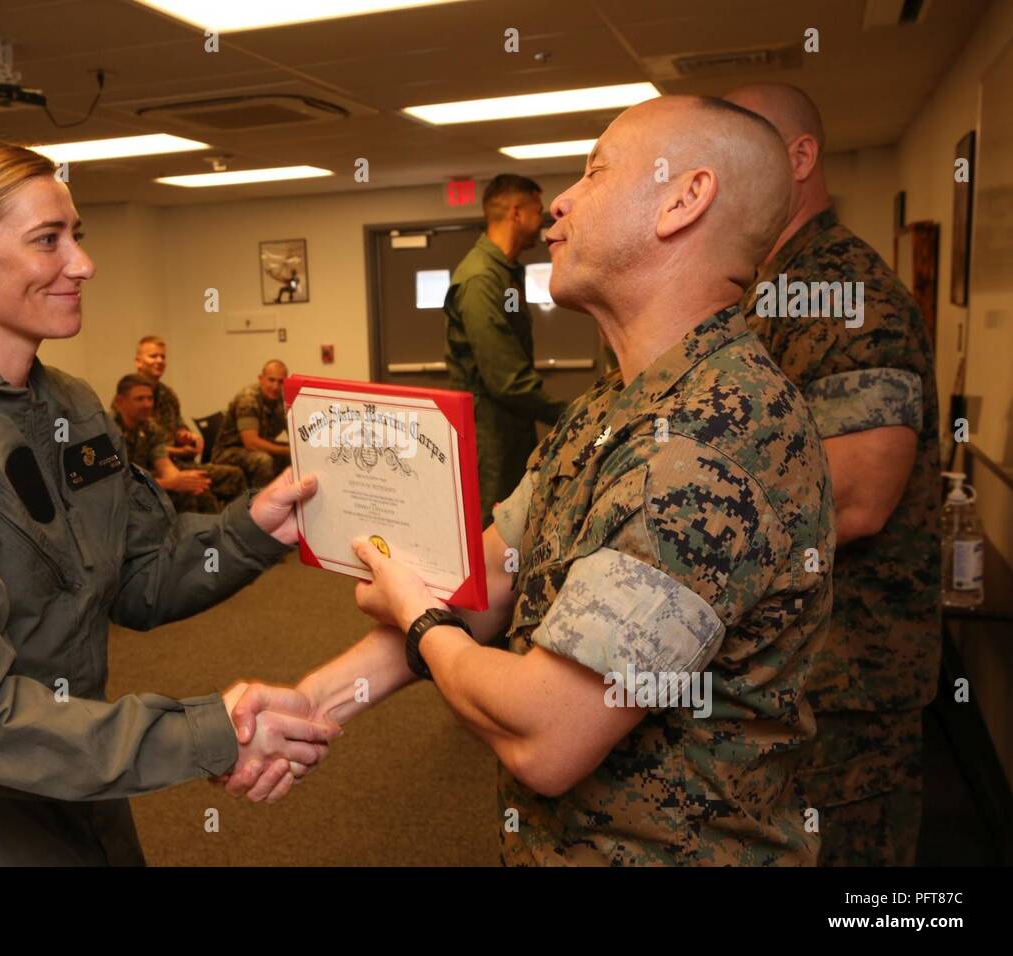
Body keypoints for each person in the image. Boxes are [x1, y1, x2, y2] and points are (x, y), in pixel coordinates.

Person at [228, 96, 835, 867]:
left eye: (596, 171)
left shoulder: (713, 441)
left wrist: (416, 614)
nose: (562, 204)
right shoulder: (609, 409)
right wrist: (315, 702)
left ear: (685, 199)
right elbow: (476, 586)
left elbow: (547, 735)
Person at [0, 135, 340, 866]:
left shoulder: (72, 407)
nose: (81, 263)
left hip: (78, 784)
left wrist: (254, 529)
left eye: (75, 236)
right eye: (47, 240)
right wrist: (206, 733)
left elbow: (139, 577)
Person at [726, 82, 942, 867]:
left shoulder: (849, 296)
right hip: (789, 676)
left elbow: (855, 502)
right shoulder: (772, 289)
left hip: (849, 678)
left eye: (744, 152)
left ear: (800, 158)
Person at [445, 173, 567, 528]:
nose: (542, 219)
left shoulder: (503, 273)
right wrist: (570, 414)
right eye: (537, 210)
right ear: (516, 212)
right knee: (491, 534)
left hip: (508, 428)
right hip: (490, 437)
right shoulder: (482, 278)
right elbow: (505, 379)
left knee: (513, 532)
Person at [134, 335, 245, 503]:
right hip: (153, 471)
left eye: (162, 356)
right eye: (153, 356)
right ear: (138, 361)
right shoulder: (131, 396)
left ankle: (237, 525)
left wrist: (188, 437)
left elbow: (179, 426)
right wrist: (179, 451)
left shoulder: (167, 394)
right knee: (203, 492)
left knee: (234, 475)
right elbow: (142, 449)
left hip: (180, 462)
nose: (159, 360)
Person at [112, 374, 220, 514]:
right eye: (140, 399)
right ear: (120, 402)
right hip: (117, 495)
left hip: (144, 483)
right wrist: (171, 483)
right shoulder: (107, 431)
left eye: (150, 398)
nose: (147, 404)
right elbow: (116, 483)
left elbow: (163, 463)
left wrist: (181, 479)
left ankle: (204, 534)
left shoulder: (150, 428)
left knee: (196, 492)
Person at [211, 360, 290, 490]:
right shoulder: (248, 399)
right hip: (229, 451)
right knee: (264, 461)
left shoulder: (282, 400)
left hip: (257, 446)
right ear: (261, 379)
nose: (275, 387)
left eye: (281, 382)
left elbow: (294, 433)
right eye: (271, 380)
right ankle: (257, 505)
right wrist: (287, 451)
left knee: (294, 458)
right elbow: (251, 443)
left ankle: (286, 503)